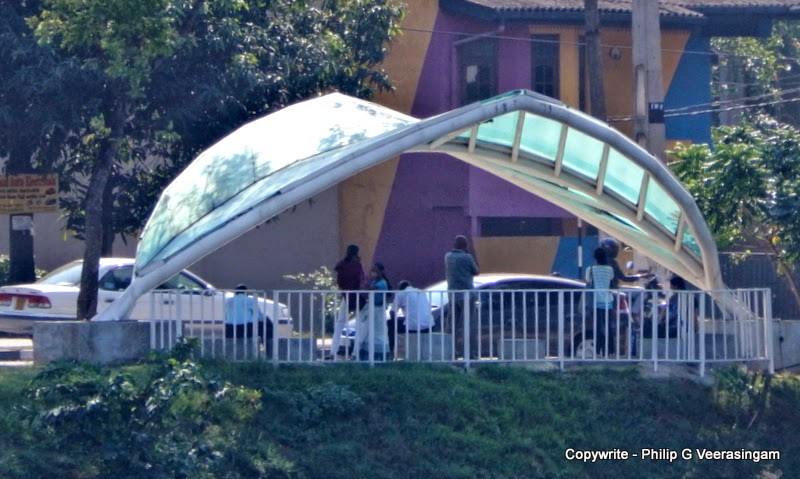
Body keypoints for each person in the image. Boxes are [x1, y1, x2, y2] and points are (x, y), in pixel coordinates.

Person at [445, 235, 480, 359]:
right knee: (469, 324)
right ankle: (470, 353)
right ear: (465, 246)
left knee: (452, 325)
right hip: (467, 294)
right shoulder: (467, 257)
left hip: (453, 294)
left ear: (454, 244)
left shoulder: (448, 257)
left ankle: (450, 351)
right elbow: (476, 271)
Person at [352, 262, 392, 360]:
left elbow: (370, 289)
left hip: (377, 310)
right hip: (371, 308)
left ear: (381, 271)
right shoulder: (374, 281)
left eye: (375, 270)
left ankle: (376, 354)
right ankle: (362, 354)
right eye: (372, 270)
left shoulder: (382, 283)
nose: (373, 273)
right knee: (366, 332)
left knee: (376, 333)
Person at [331, 244, 365, 357]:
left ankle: (333, 351)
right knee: (360, 324)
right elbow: (360, 281)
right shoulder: (357, 265)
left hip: (346, 296)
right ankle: (355, 353)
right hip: (357, 296)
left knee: (340, 323)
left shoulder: (342, 264)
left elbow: (339, 281)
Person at [388, 280, 434, 355]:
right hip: (429, 325)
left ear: (400, 289)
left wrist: (395, 319)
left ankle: (391, 352)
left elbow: (392, 312)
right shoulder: (421, 292)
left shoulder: (401, 294)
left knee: (390, 324)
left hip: (413, 326)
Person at [585, 247, 615, 355]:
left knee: (597, 327)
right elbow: (611, 284)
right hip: (608, 301)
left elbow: (588, 282)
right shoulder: (610, 269)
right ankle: (611, 350)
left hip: (595, 301)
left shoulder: (590, 269)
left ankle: (598, 350)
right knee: (608, 326)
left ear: (595, 257)